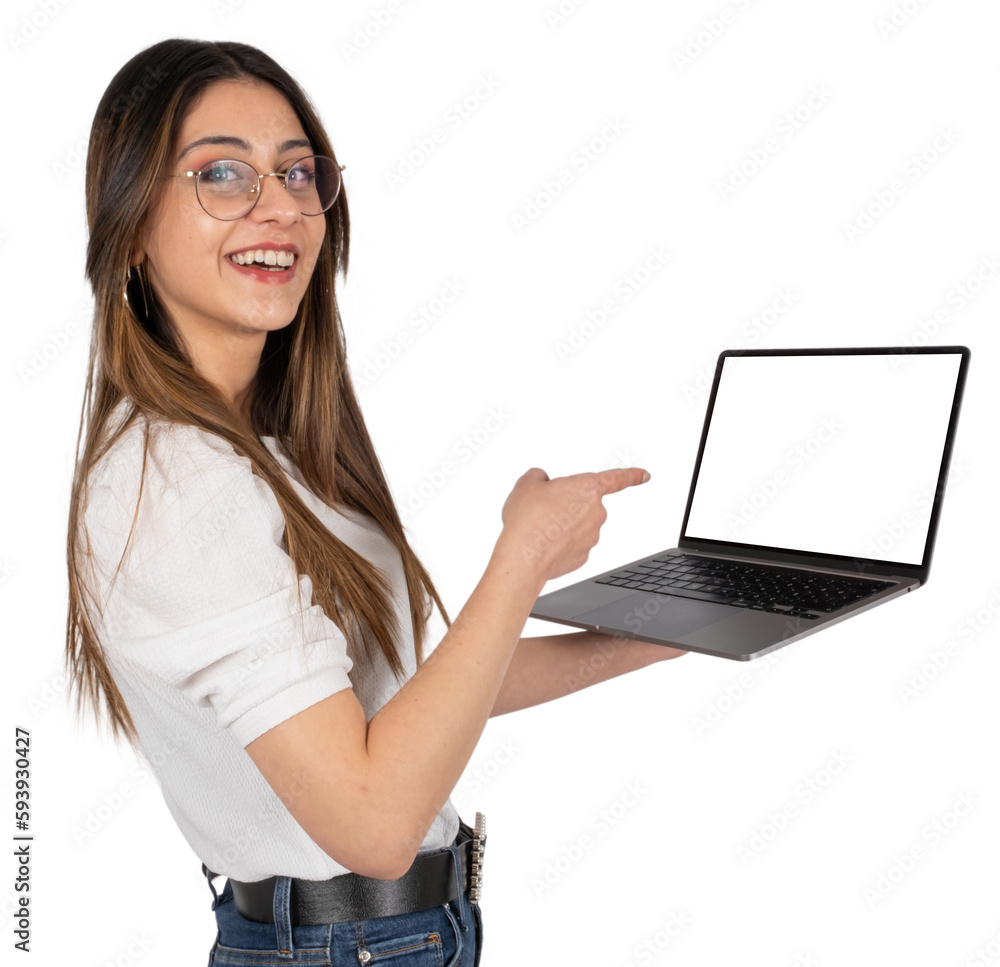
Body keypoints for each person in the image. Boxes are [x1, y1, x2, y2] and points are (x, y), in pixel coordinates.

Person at [64, 38, 688, 966]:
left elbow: (395, 698)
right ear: (129, 220)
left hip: (384, 939)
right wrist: (522, 557)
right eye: (221, 173)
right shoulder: (185, 488)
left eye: (298, 171)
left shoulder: (261, 448)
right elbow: (374, 822)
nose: (278, 206)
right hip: (351, 941)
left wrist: (674, 627)